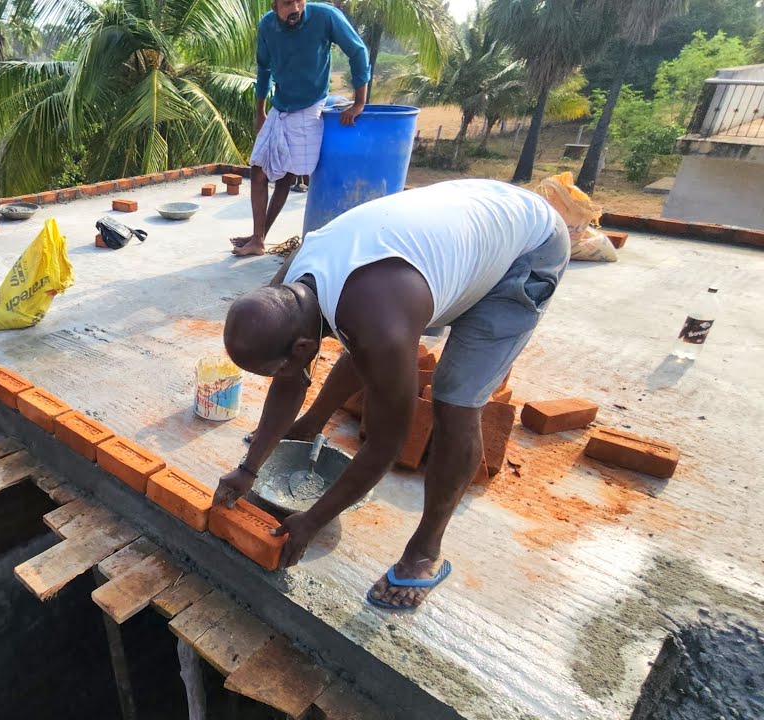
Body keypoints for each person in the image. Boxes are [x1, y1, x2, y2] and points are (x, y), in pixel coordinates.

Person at [216, 179, 570, 610]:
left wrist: (313, 519)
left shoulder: (380, 325)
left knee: (454, 402)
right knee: (368, 343)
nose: (279, 375)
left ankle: (425, 550)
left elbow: (386, 444)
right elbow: (290, 379)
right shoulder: (287, 286)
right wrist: (249, 469)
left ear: (303, 348)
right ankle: (309, 427)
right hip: (457, 232)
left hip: (527, 250)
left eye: (275, 366)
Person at [230, 0, 370, 257]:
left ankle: (259, 239)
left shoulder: (326, 17)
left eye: (298, 0)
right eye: (286, 3)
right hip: (280, 106)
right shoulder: (267, 27)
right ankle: (258, 237)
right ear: (274, 6)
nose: (295, 7)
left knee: (285, 177)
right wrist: (260, 110)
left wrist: (360, 102)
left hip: (309, 107)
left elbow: (357, 51)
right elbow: (264, 68)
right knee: (258, 169)